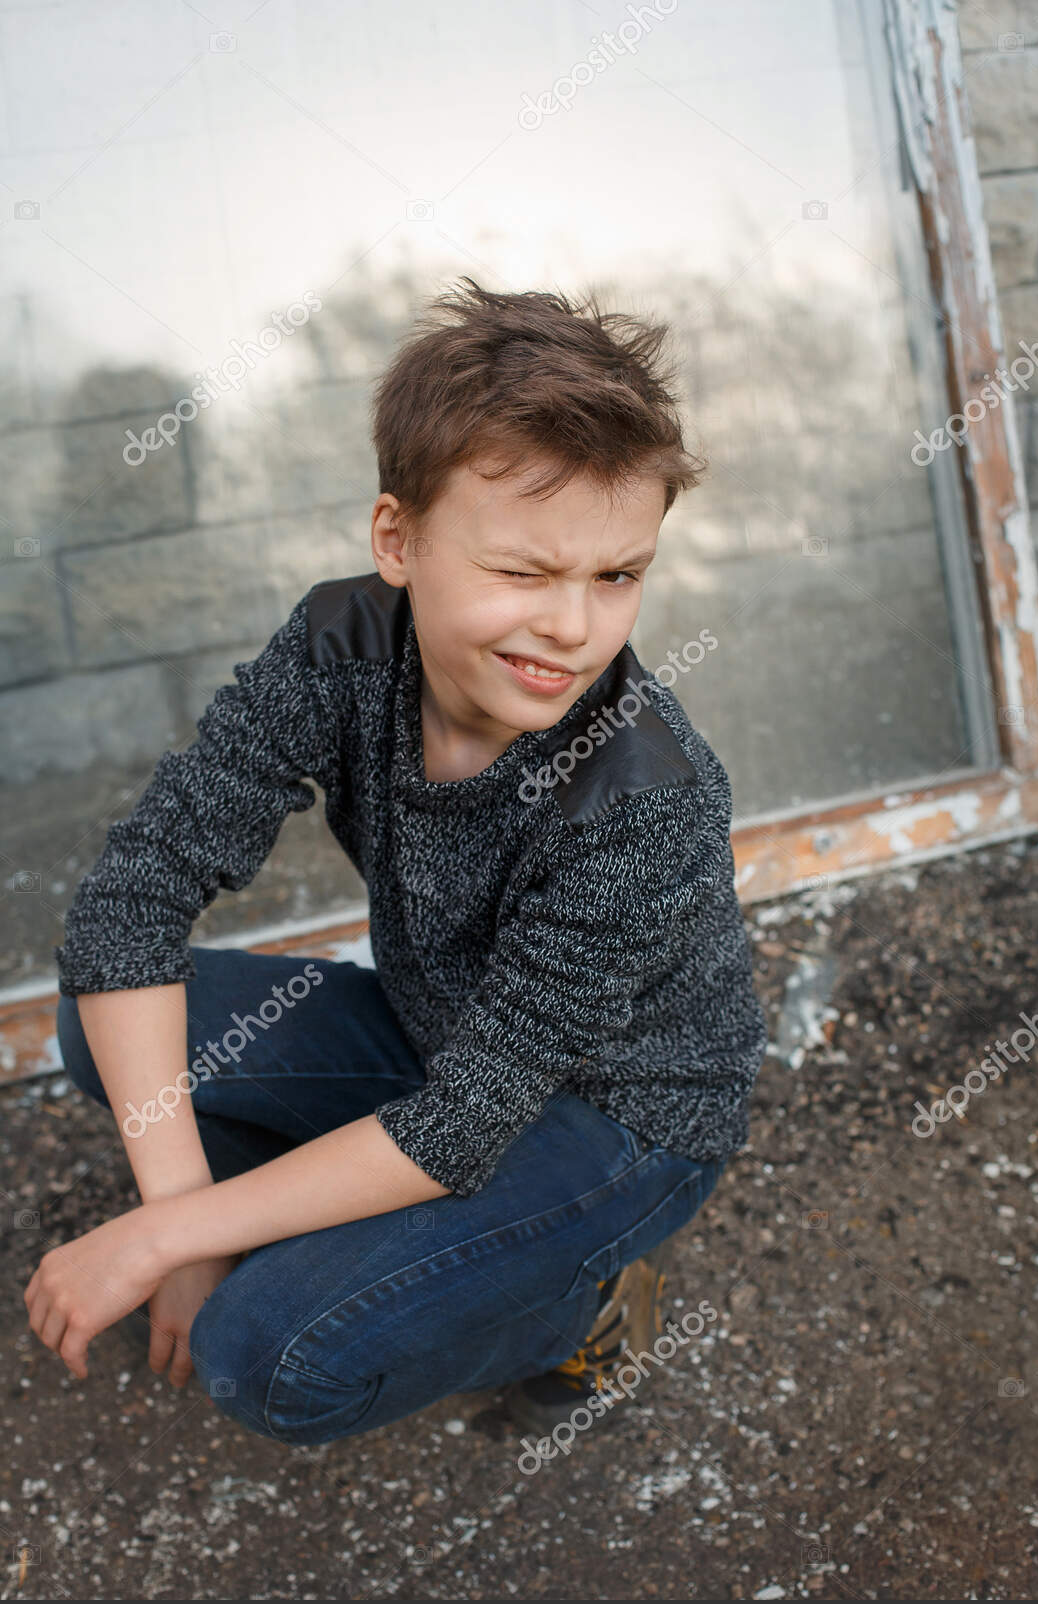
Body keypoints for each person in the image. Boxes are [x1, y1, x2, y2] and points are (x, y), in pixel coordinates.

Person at [25, 277, 768, 1446]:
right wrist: (183, 1216)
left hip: (615, 1117)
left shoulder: (646, 803)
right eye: (523, 571)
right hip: (438, 1034)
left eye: (616, 575)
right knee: (98, 1023)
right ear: (397, 540)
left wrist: (163, 1240)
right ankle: (358, 1244)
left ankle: (579, 1304)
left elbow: (468, 1118)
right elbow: (131, 904)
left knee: (265, 1356)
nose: (573, 626)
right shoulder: (339, 645)